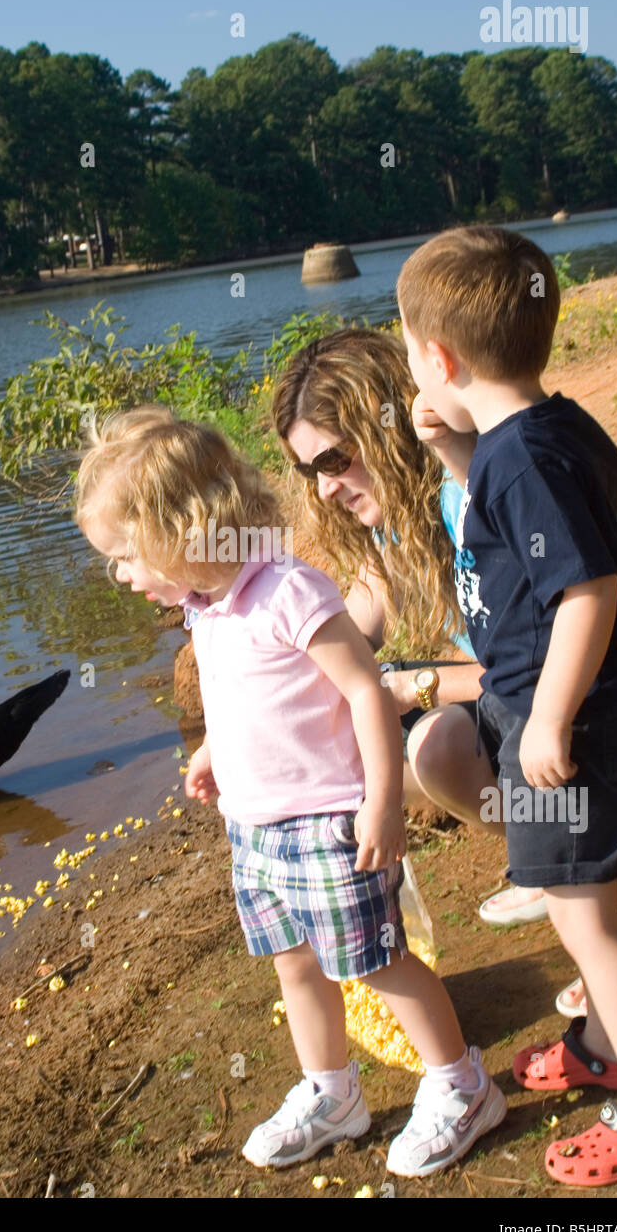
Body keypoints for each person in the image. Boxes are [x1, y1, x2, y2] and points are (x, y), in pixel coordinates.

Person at [74, 404, 505, 1177]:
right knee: (294, 965)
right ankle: (333, 1091)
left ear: (182, 529)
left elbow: (367, 693)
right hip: (256, 830)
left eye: (126, 556)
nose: (121, 575)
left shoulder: (287, 592)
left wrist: (379, 800)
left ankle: (461, 1084)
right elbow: (254, 696)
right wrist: (213, 749)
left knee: (376, 961)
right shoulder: (203, 608)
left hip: (328, 823)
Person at [271, 327, 617, 1022]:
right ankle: (580, 875)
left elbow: (529, 664)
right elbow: (354, 628)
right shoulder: (401, 518)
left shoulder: (470, 493)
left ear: (386, 429)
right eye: (312, 471)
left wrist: (414, 686)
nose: (327, 487)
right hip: (580, 696)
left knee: (440, 746)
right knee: (436, 747)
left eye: (336, 459)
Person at [396, 223, 617, 1188]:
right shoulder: (540, 434)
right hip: (593, 702)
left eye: (407, 354)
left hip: (575, 722)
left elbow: (585, 590)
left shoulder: (523, 461)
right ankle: (605, 1053)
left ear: (440, 357)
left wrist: (549, 721)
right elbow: (522, 540)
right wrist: (454, 457)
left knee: (585, 918)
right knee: (581, 905)